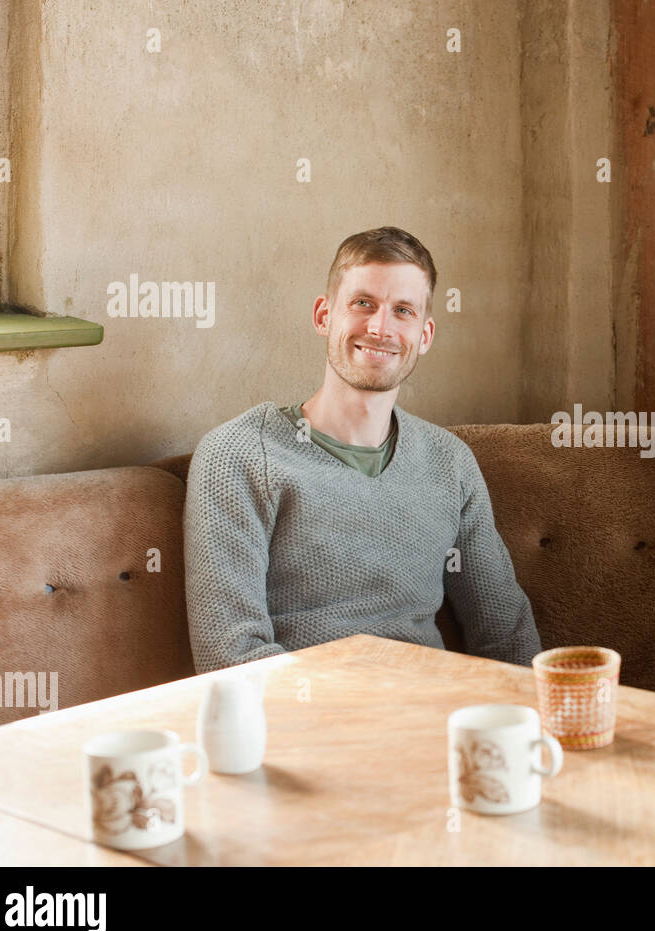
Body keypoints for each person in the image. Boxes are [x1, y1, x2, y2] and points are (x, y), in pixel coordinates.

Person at [184, 226, 541, 672]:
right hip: (307, 725)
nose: (379, 327)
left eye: (403, 311)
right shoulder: (238, 455)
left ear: (424, 335)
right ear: (323, 315)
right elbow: (230, 659)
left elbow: (506, 635)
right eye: (362, 303)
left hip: (434, 716)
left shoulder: (449, 463)